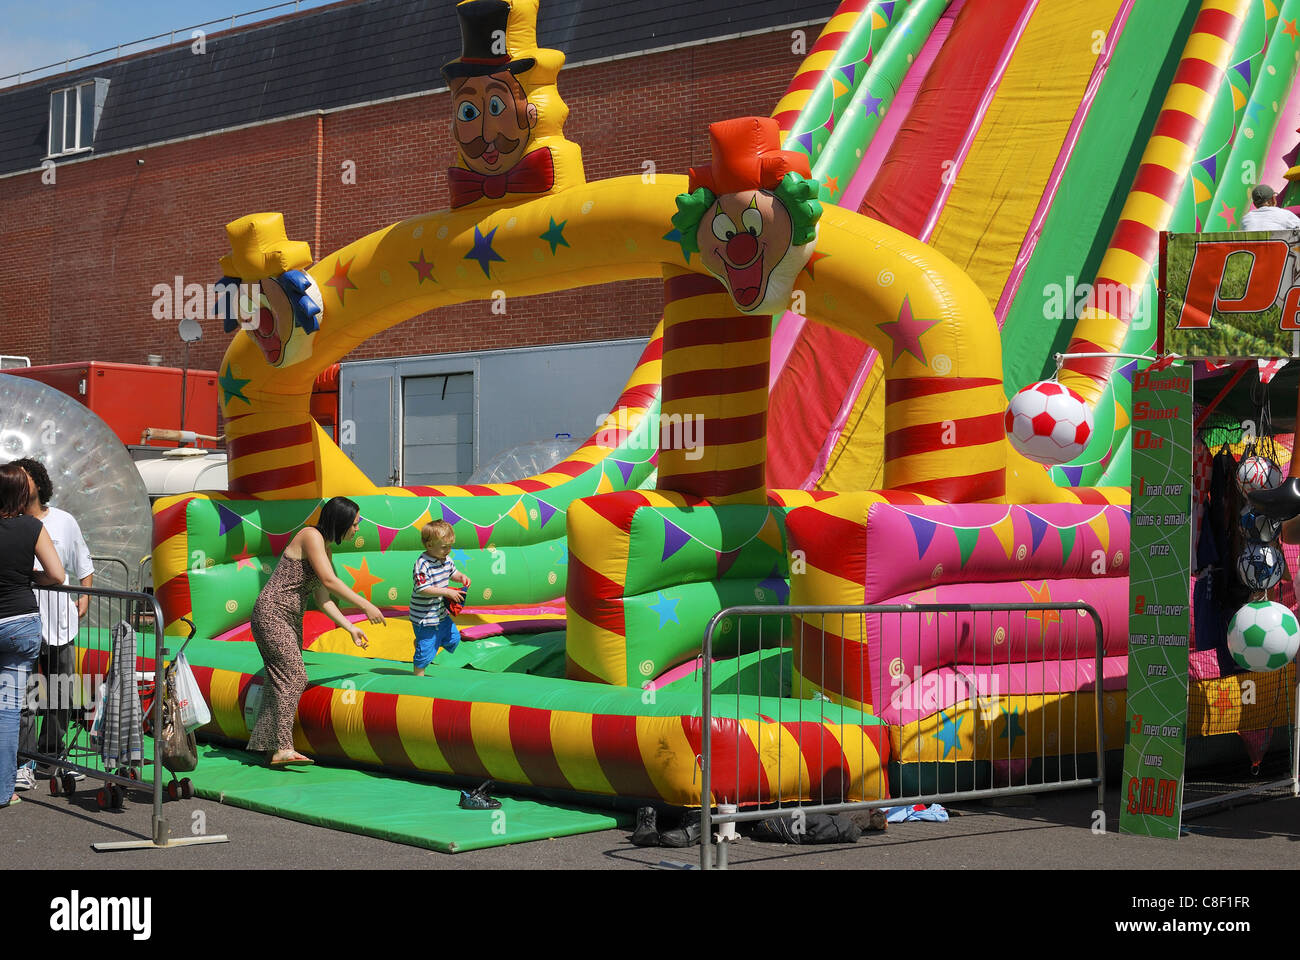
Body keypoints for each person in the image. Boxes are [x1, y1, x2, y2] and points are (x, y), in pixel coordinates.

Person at [246, 496, 384, 767]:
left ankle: (266, 745)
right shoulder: (310, 536)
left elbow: (323, 599)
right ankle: (282, 748)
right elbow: (329, 580)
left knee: (280, 681)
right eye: (355, 523)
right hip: (272, 614)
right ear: (341, 521)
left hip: (289, 618)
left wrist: (350, 628)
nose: (357, 529)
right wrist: (366, 605)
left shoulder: (325, 549)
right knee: (295, 676)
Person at [11, 458, 94, 791]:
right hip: (24, 622)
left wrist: (85, 598)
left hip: (60, 621)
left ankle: (53, 754)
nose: (21, 483)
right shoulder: (10, 523)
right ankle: (23, 762)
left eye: (26, 478)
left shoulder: (63, 521)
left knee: (60, 693)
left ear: (39, 483)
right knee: (27, 698)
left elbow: (83, 563)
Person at [0, 464, 65, 807]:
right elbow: (56, 574)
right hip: (19, 623)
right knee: (8, 710)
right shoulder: (31, 527)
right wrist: (31, 577)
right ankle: (3, 790)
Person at [409, 520, 470, 676]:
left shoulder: (446, 559)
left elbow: (452, 573)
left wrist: (461, 577)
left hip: (440, 614)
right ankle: (418, 676)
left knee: (454, 639)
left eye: (450, 546)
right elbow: (423, 589)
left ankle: (422, 644)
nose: (448, 550)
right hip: (425, 617)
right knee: (425, 654)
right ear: (429, 546)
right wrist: (447, 592)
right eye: (444, 547)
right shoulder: (422, 564)